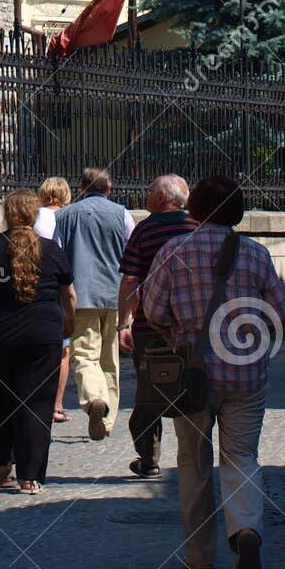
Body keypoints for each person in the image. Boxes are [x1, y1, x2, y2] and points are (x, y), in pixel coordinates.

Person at [143, 174, 285, 569]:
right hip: (246, 374)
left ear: (196, 210)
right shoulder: (257, 254)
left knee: (193, 463)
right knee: (241, 456)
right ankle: (245, 529)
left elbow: (152, 309)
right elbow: (281, 311)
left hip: (192, 375)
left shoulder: (175, 250)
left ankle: (199, 553)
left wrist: (177, 331)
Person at [0, 189, 75, 493]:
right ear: (35, 214)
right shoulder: (52, 250)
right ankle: (31, 476)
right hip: (42, 335)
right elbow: (68, 293)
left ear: (7, 214)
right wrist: (69, 323)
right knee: (37, 402)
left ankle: (3, 465)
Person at [117, 174, 194, 477]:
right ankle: (194, 458)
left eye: (149, 191)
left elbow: (129, 279)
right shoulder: (197, 226)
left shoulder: (145, 230)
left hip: (150, 328)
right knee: (193, 388)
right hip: (192, 329)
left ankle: (149, 458)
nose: (145, 195)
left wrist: (124, 323)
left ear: (162, 197)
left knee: (151, 391)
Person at [53, 166, 127, 440]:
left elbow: (55, 257)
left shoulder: (64, 216)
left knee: (84, 355)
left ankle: (93, 398)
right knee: (110, 360)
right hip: (114, 294)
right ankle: (106, 421)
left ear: (81, 188)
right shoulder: (122, 214)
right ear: (108, 188)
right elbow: (131, 255)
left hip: (80, 294)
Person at [36, 177, 72, 421]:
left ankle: (37, 401)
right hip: (63, 281)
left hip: (38, 284)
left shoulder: (35, 216)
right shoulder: (70, 216)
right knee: (63, 348)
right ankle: (57, 406)